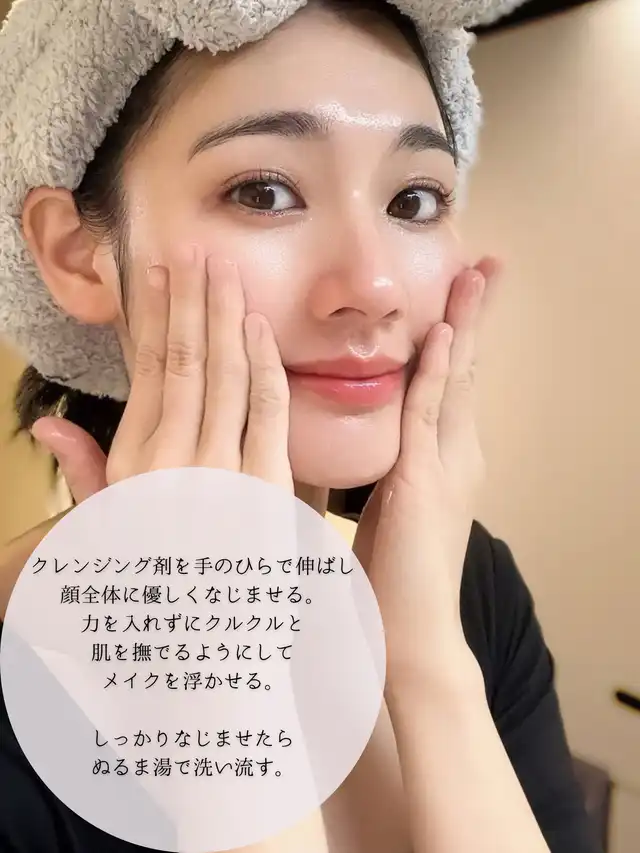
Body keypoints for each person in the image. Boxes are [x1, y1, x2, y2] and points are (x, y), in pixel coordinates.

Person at [0, 1, 603, 851]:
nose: (375, 286)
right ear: (75, 253)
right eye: (265, 192)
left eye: (414, 199)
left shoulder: (467, 588)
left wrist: (428, 665)